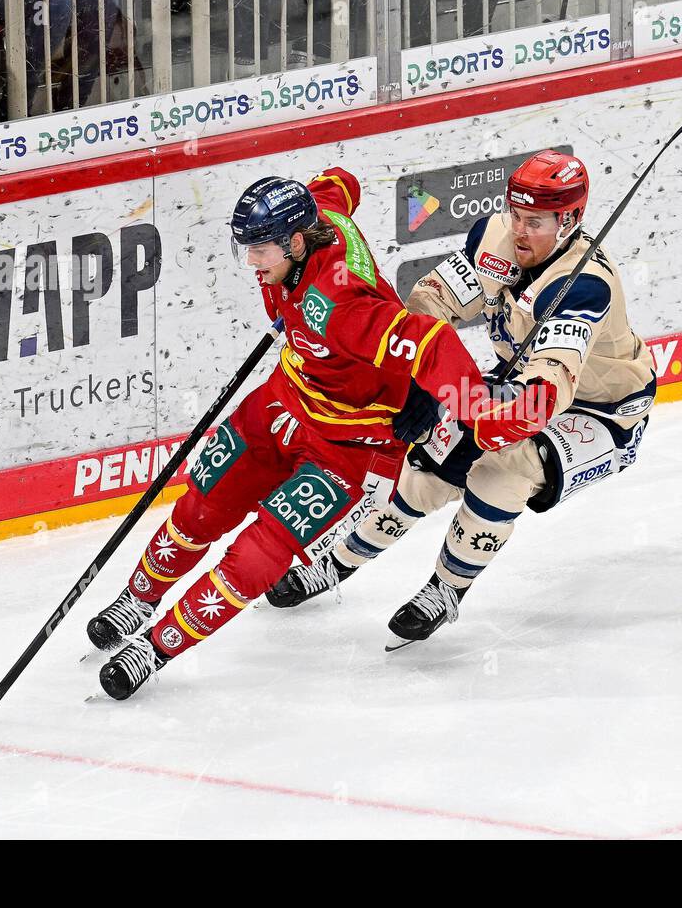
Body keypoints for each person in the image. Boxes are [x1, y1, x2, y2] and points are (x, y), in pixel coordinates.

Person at [88, 168, 544, 700]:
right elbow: (342, 182)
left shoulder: (339, 308)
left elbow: (433, 343)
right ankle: (140, 598)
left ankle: (155, 647)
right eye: (248, 249)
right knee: (203, 502)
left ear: (296, 242)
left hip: (345, 446)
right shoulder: (317, 216)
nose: (252, 264)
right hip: (283, 400)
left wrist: (470, 408)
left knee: (262, 551)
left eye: (261, 251)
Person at [266, 150, 657, 649]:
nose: (519, 231)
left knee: (501, 471)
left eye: (534, 222)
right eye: (515, 215)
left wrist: (497, 424)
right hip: (514, 384)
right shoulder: (492, 237)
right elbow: (431, 304)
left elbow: (552, 384)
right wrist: (415, 378)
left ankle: (445, 589)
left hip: (605, 412)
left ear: (570, 220)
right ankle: (336, 564)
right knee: (429, 465)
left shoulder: (584, 286)